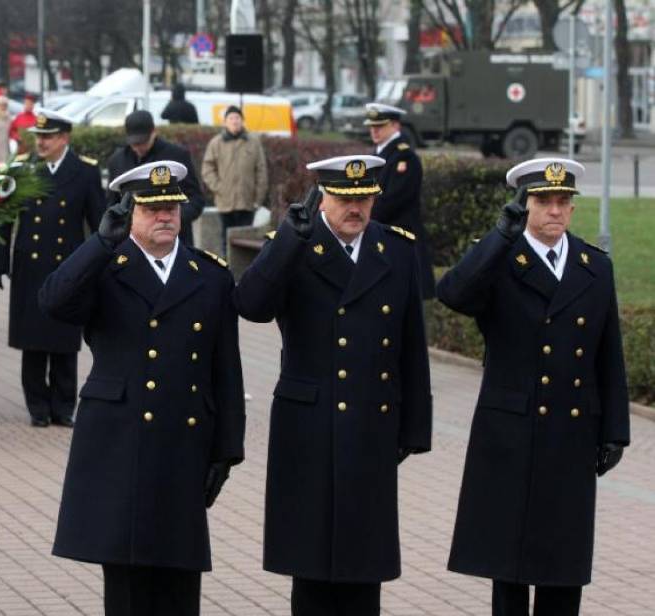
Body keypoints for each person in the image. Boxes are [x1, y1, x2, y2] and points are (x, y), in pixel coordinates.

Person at [40, 160, 245, 616]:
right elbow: (53, 301)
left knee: (179, 579)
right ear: (129, 213)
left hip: (184, 443)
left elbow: (226, 371)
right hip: (120, 440)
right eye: (152, 208)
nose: (165, 217)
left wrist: (227, 451)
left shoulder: (209, 275)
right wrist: (98, 242)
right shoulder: (106, 266)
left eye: (172, 207)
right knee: (128, 583)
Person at [233, 155, 432, 616]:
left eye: (364, 198)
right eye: (345, 198)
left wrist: (413, 429)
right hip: (310, 425)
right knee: (312, 562)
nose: (356, 208)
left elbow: (411, 346)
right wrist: (288, 239)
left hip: (371, 423)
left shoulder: (395, 250)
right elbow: (251, 304)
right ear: (322, 197)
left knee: (366, 562)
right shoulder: (295, 246)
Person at [437, 157, 630, 616]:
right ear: (526, 206)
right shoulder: (499, 260)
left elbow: (609, 353)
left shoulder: (593, 266)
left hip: (572, 432)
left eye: (564, 202)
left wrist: (615, 431)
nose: (555, 211)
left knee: (563, 563)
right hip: (511, 434)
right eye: (544, 201)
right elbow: (453, 294)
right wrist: (499, 237)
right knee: (510, 565)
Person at [0, 110, 104, 427]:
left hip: (68, 266)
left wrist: (105, 262)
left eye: (48, 137)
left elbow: (99, 222)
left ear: (64, 138)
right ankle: (37, 406)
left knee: (64, 340)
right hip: (30, 265)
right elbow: (4, 215)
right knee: (33, 340)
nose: (41, 142)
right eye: (38, 136)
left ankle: (63, 406)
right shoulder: (24, 169)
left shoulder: (83, 172)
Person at [364, 103, 436, 299]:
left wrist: (362, 215)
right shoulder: (376, 155)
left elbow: (394, 200)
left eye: (380, 126)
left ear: (395, 126)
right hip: (377, 235)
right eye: (372, 126)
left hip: (398, 237)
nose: (374, 131)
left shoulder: (405, 157)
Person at [106, 110, 205, 247]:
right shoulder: (117, 161)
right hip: (132, 243)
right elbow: (112, 202)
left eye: (143, 142)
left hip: (173, 241)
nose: (139, 147)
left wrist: (172, 217)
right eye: (134, 143)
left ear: (154, 132)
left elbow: (196, 199)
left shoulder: (176, 155)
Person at [201, 105, 268, 254]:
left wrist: (259, 197)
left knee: (245, 239)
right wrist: (219, 187)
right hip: (225, 202)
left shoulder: (253, 142)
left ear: (242, 121)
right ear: (225, 122)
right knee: (226, 238)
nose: (235, 121)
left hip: (247, 201)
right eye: (231, 118)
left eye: (237, 118)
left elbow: (261, 170)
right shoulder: (216, 143)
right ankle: (228, 269)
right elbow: (207, 169)